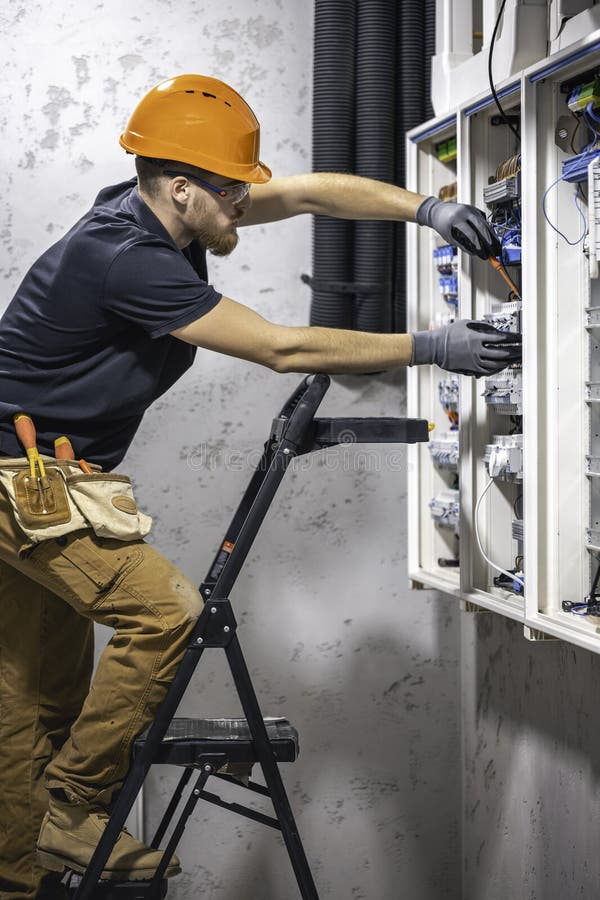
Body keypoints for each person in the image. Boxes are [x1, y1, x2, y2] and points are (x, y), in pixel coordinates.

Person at [0, 73, 521, 900]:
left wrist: (427, 211)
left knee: (36, 686)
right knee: (165, 614)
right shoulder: (125, 259)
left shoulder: (163, 210)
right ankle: (74, 809)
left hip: (48, 472)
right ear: (182, 189)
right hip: (19, 475)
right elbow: (280, 347)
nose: (247, 199)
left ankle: (22, 871)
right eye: (231, 190)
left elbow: (311, 192)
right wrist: (429, 346)